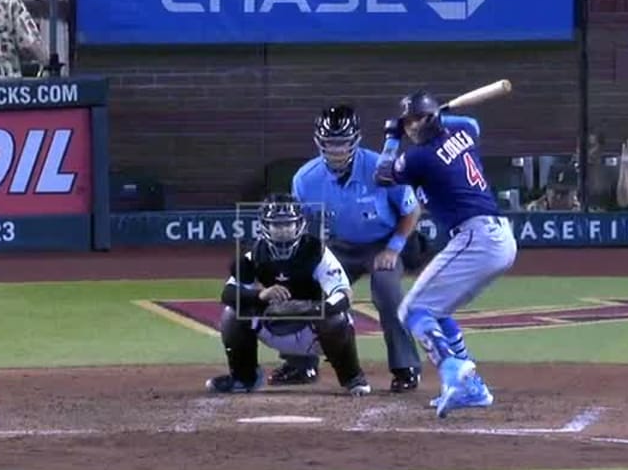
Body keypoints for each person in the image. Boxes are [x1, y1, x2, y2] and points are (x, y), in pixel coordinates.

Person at [376, 91, 517, 419]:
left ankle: (456, 375)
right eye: (406, 123)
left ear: (431, 118)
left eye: (416, 120)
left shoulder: (419, 157)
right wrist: (436, 117)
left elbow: (381, 175)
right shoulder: (463, 132)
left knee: (412, 309)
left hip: (477, 237)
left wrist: (390, 138)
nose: (411, 128)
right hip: (495, 238)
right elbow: (470, 121)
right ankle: (474, 387)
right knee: (436, 311)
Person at [268, 105, 422, 394]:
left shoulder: (383, 167)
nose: (336, 150)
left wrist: (394, 248)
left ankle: (405, 367)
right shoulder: (305, 179)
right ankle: (301, 363)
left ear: (356, 140)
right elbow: (305, 225)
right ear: (319, 142)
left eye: (342, 142)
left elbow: (411, 211)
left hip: (382, 244)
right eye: (330, 143)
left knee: (388, 292)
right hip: (338, 246)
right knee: (303, 288)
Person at [205, 194, 371, 397]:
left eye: (288, 224)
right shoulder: (254, 253)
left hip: (313, 330)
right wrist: (260, 295)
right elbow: (228, 293)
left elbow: (343, 294)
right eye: (276, 225)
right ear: (265, 226)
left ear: (299, 224)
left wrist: (311, 309)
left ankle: (352, 377)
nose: (283, 230)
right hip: (274, 324)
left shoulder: (315, 250)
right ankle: (243, 377)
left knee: (336, 318)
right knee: (232, 315)